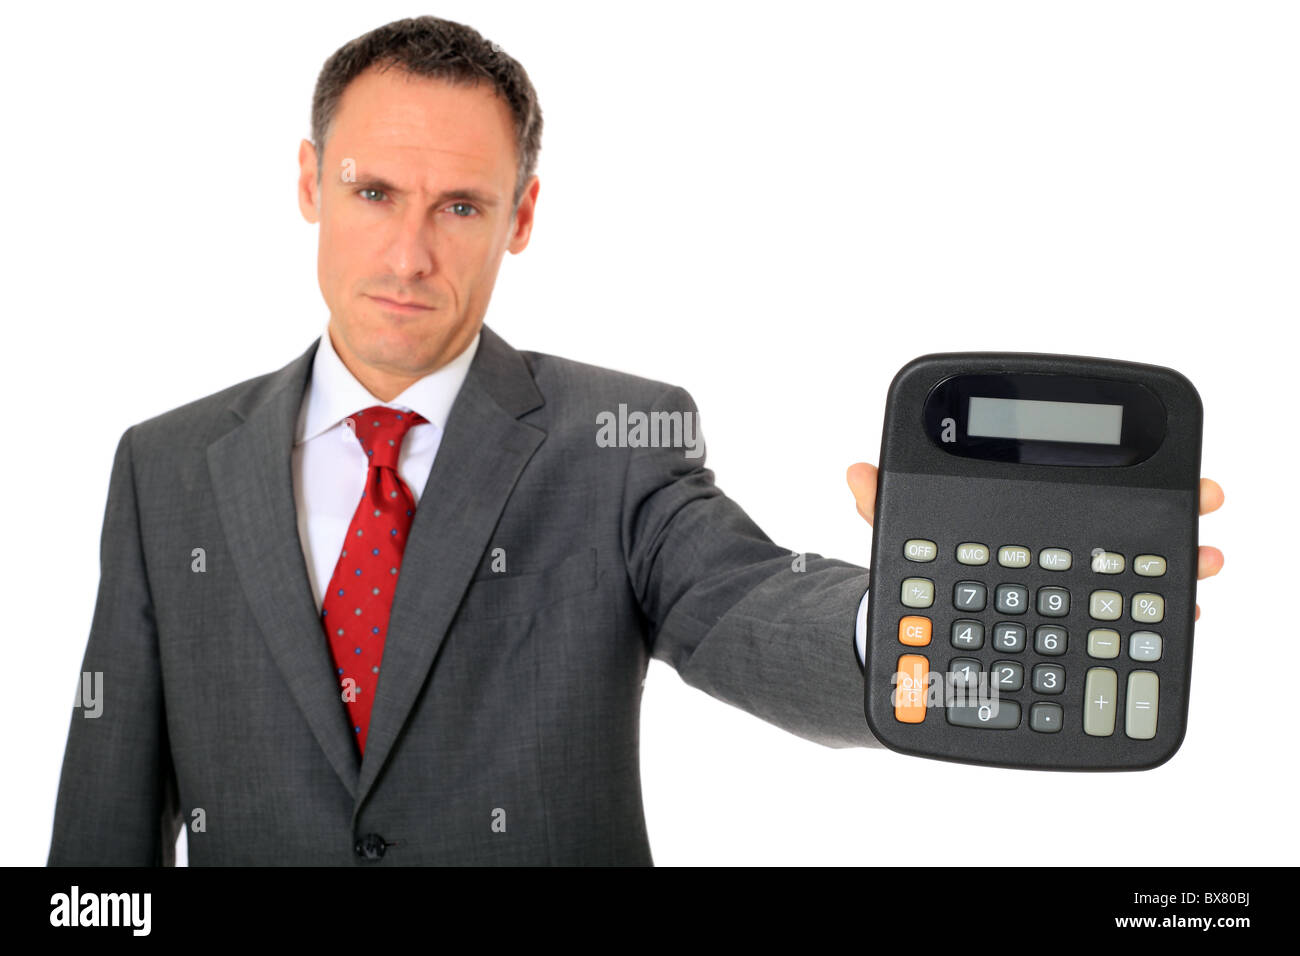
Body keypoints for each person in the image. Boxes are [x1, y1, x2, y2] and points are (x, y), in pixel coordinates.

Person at [47, 15, 1225, 865]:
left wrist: (918, 609)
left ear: (523, 214)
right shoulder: (165, 463)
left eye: (461, 204)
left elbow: (742, 602)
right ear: (308, 182)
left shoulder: (618, 440)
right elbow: (105, 825)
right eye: (372, 193)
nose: (410, 253)